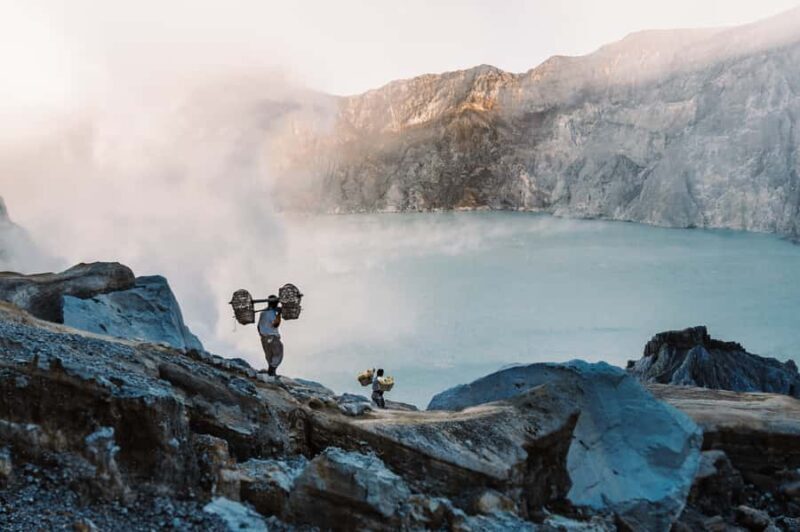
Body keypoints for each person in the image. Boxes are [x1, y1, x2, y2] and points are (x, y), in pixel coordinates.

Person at [258, 295, 283, 376]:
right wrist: (279, 314)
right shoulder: (271, 313)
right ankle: (271, 372)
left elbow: (258, 326)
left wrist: (262, 335)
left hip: (264, 338)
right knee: (278, 354)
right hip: (272, 337)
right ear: (275, 303)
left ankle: (270, 372)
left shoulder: (263, 312)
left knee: (269, 355)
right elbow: (276, 324)